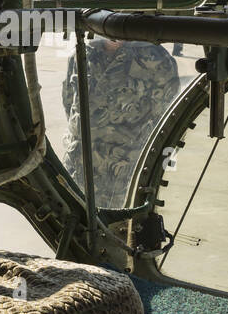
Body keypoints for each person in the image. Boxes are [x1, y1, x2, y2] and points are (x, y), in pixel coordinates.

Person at [62, 36, 180, 206]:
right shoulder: (82, 52)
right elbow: (69, 102)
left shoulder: (157, 60)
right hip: (78, 172)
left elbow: (167, 124)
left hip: (123, 182)